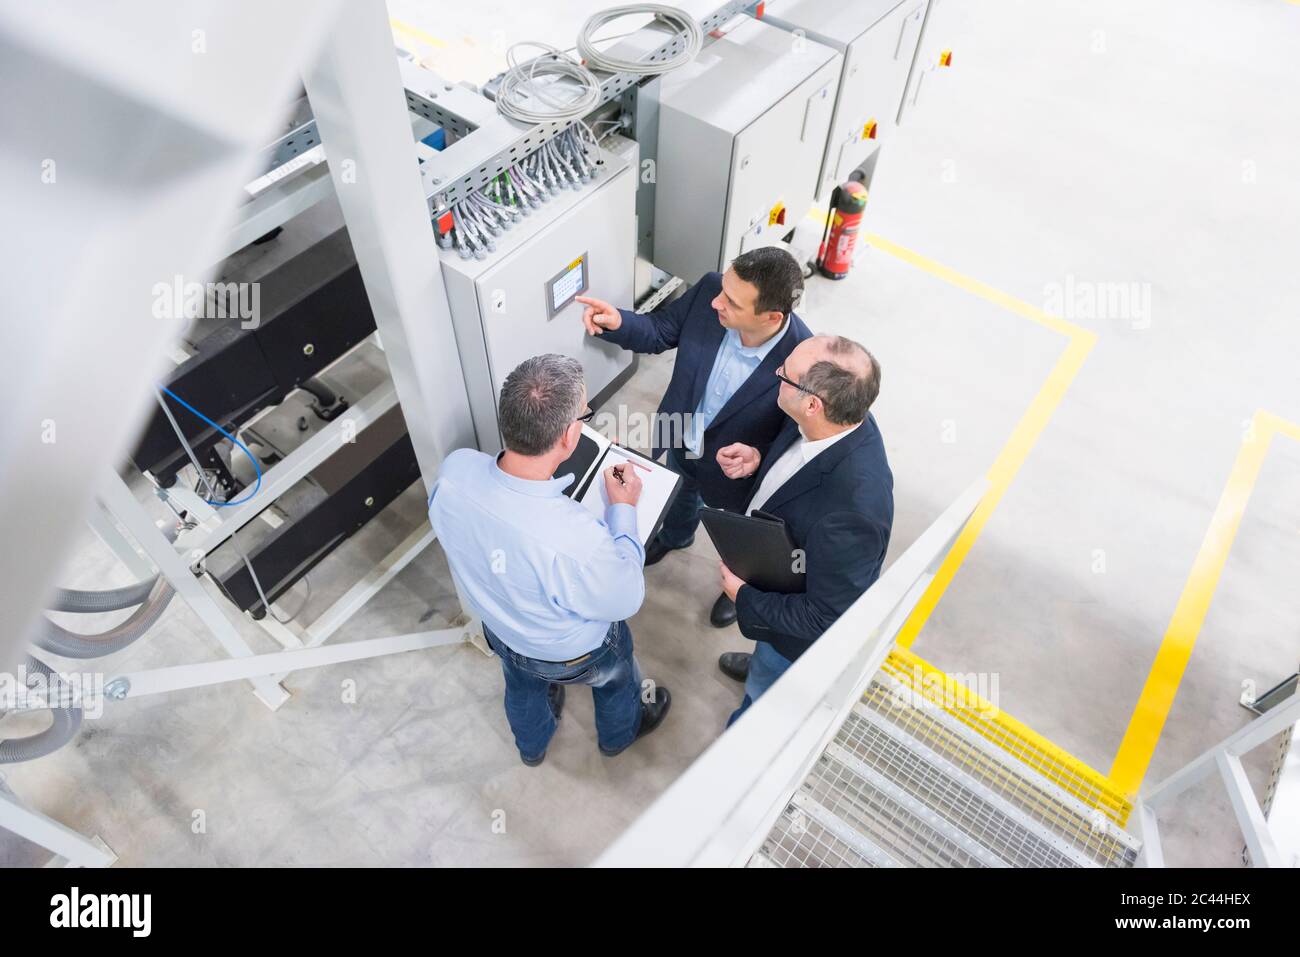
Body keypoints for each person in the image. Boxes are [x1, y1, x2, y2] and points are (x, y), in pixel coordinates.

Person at [428, 354, 671, 766]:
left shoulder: (454, 472)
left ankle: (532, 747)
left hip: (502, 631)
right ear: (568, 437)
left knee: (521, 686)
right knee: (616, 680)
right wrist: (623, 509)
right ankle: (618, 736)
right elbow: (626, 596)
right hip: (575, 653)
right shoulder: (578, 542)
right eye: (583, 415)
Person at [576, 246, 813, 628]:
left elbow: (799, 437)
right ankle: (676, 536)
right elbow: (660, 331)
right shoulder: (709, 291)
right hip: (682, 436)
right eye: (723, 288)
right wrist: (618, 321)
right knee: (681, 492)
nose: (716, 301)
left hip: (739, 477)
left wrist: (759, 457)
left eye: (732, 302)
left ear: (771, 316)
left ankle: (740, 588)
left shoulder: (803, 359)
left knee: (739, 534)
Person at [712, 335, 893, 725]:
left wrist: (742, 596)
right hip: (782, 582)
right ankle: (764, 659)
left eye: (784, 375)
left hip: (794, 639)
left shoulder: (856, 510)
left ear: (813, 404)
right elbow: (802, 467)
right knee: (766, 655)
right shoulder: (836, 414)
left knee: (763, 693)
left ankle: (745, 727)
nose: (776, 374)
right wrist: (761, 461)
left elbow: (824, 616)